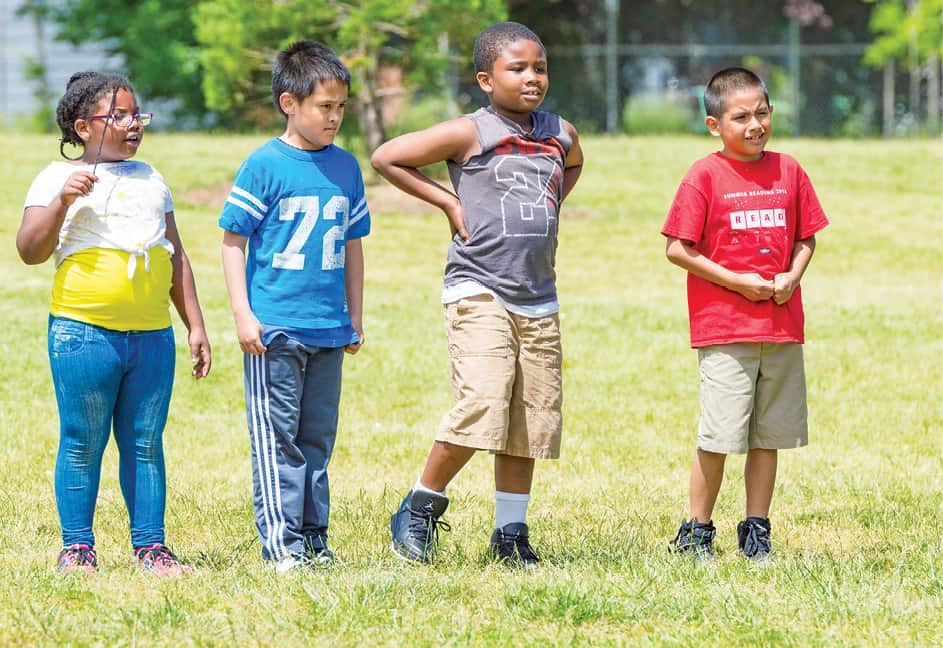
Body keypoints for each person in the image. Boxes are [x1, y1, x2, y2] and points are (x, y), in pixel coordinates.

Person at [371, 21, 583, 567]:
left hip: (539, 295)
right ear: (486, 79)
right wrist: (448, 202)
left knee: (528, 418)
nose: (532, 78)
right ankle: (420, 505)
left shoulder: (560, 133)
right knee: (484, 401)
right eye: (518, 69)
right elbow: (388, 156)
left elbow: (571, 166)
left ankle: (510, 535)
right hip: (479, 287)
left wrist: (546, 204)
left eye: (539, 67)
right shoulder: (473, 131)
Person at [17, 71, 211, 575]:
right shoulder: (55, 179)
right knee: (82, 439)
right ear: (83, 126)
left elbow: (176, 255)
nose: (132, 125)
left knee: (145, 442)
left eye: (136, 114)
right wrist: (65, 199)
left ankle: (152, 546)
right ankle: (77, 546)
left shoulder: (152, 178)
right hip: (84, 333)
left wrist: (194, 324)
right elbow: (30, 250)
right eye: (118, 116)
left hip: (151, 337)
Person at [662, 67, 829, 560]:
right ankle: (696, 531)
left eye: (762, 114)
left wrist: (792, 276)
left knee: (768, 435)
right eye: (741, 117)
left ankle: (757, 530)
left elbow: (806, 236)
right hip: (726, 329)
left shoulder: (789, 169)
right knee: (719, 434)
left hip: (780, 328)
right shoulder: (704, 175)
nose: (754, 125)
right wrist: (738, 283)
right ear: (715, 125)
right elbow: (677, 248)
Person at [220, 41, 369, 573]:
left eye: (341, 108)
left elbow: (353, 246)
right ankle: (281, 545)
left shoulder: (347, 167)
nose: (335, 118)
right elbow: (232, 242)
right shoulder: (264, 164)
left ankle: (313, 538)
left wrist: (355, 315)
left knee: (316, 440)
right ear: (289, 102)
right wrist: (243, 313)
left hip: (329, 328)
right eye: (324, 107)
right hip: (275, 328)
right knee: (276, 438)